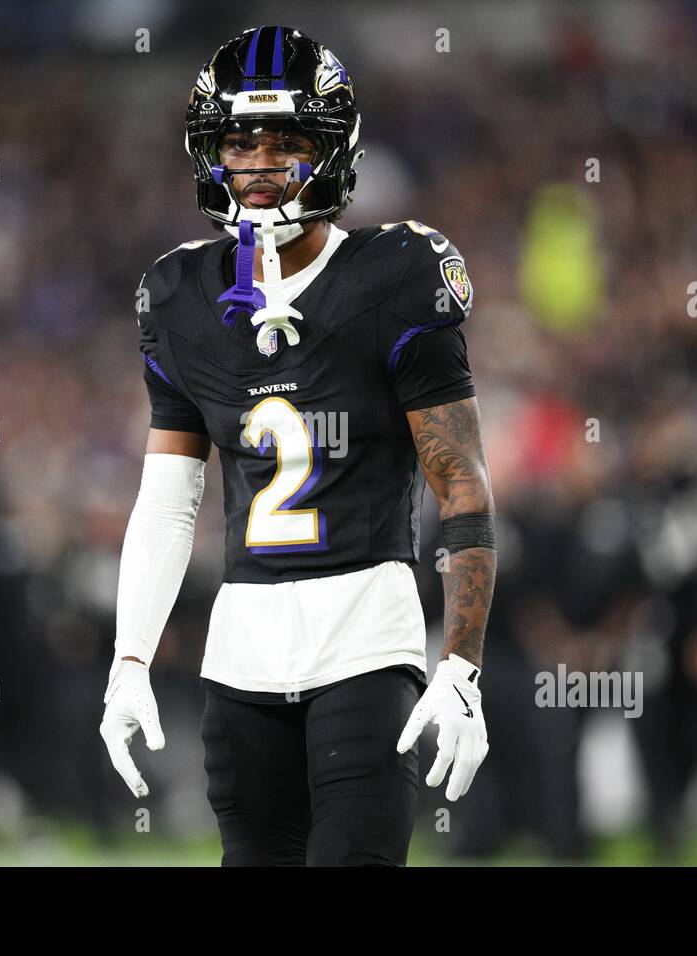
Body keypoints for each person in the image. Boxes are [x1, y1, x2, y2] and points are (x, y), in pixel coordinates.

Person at [99, 25, 496, 866]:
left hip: (365, 637)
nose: (259, 163)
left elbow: (460, 484)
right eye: (239, 141)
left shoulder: (396, 275)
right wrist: (128, 657)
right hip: (240, 648)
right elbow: (170, 499)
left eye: (286, 141)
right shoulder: (179, 294)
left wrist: (461, 663)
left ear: (333, 150)